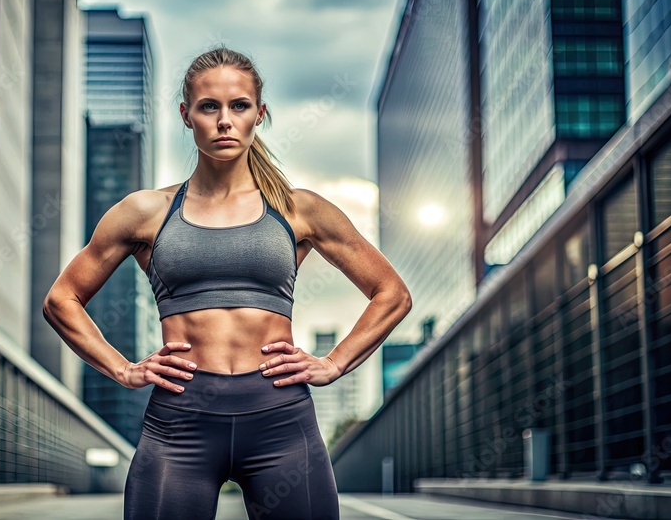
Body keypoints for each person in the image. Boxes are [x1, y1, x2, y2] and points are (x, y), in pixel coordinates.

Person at [42, 46, 412, 520]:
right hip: (179, 421)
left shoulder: (300, 209)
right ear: (185, 114)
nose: (224, 120)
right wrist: (123, 369)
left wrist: (334, 364)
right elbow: (62, 300)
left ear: (260, 113)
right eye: (208, 107)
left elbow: (392, 293)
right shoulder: (145, 212)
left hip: (281, 418)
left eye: (238, 106)